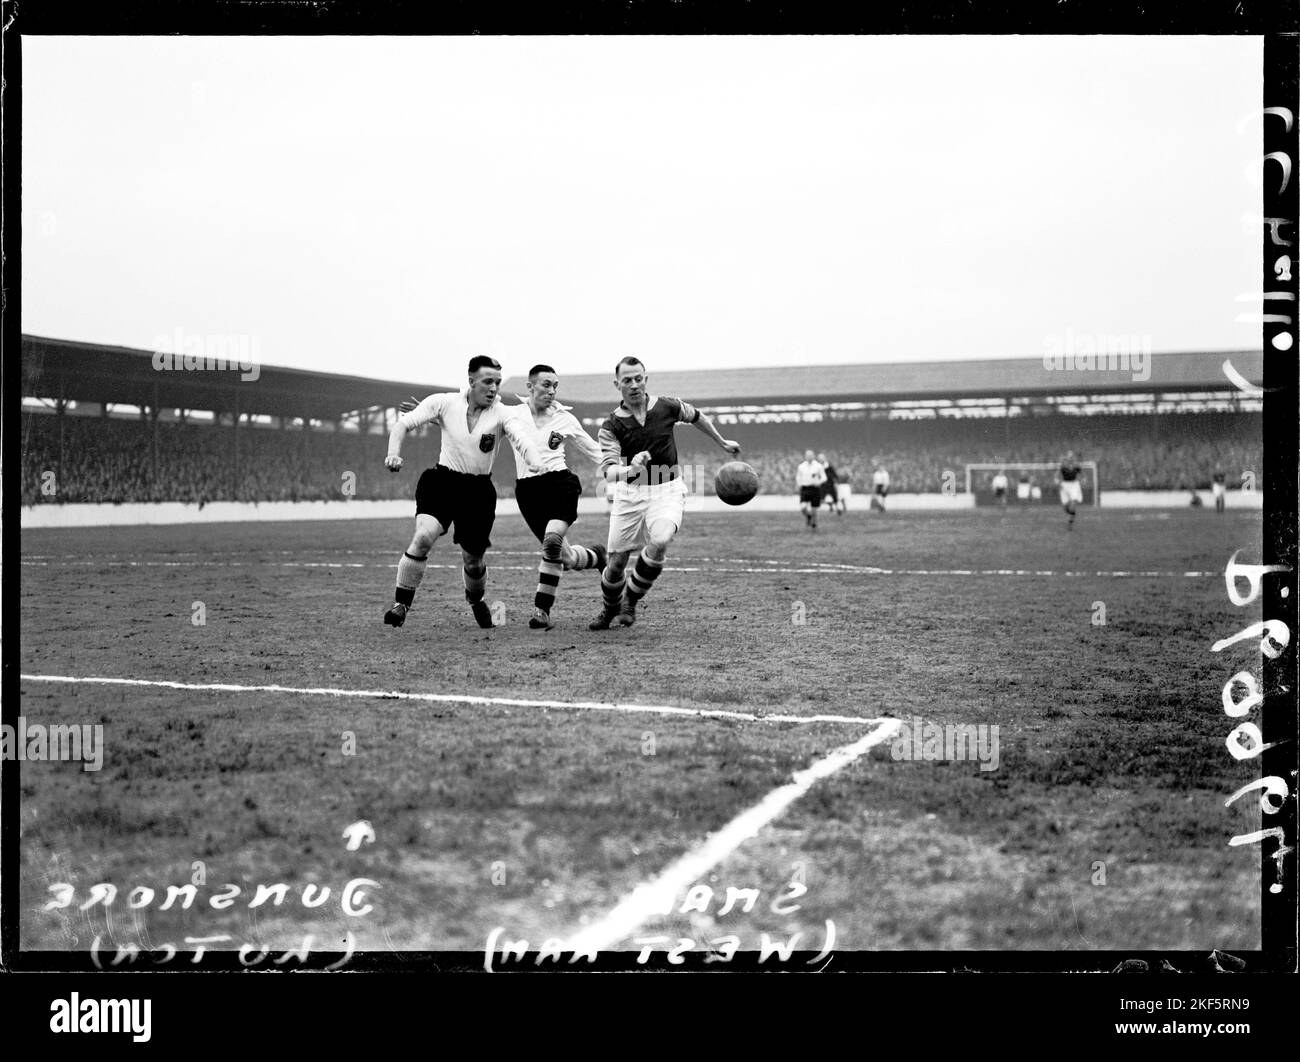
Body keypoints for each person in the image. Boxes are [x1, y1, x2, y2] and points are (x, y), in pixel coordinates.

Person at [382, 356, 543, 629]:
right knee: (423, 536)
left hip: (478, 492)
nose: (494, 388)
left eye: (497, 382)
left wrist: (534, 459)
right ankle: (401, 604)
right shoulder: (443, 402)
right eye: (487, 382)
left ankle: (476, 598)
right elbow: (402, 424)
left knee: (474, 559)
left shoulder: (502, 413)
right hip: (442, 483)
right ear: (471, 381)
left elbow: (521, 437)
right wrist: (393, 454)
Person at [588, 356, 741, 630]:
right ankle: (609, 608)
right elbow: (609, 471)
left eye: (638, 378)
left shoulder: (668, 406)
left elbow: (697, 416)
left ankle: (630, 601)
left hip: (667, 489)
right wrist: (631, 467)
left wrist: (721, 441)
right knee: (615, 564)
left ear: (645, 379)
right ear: (617, 384)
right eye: (627, 380)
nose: (634, 385)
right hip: (630, 493)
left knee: (660, 540)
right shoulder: (611, 426)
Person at [504, 365, 608, 629]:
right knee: (566, 557)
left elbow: (595, 451)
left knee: (551, 541)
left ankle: (541, 611)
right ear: (530, 387)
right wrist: (433, 418)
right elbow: (474, 425)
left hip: (560, 484)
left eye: (555, 386)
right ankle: (596, 556)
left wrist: (629, 468)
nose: (552, 391)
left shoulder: (565, 419)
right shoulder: (510, 415)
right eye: (546, 385)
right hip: (527, 491)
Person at [796, 450, 827, 529]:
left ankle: (814, 524)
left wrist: (819, 482)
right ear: (805, 456)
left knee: (814, 509)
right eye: (808, 455)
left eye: (811, 455)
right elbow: (798, 477)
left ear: (813, 456)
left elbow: (824, 477)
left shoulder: (818, 466)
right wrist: (800, 484)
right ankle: (808, 516)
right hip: (805, 488)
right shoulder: (801, 466)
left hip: (815, 488)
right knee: (803, 507)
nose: (809, 457)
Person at [1057, 450, 1084, 528]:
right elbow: (1057, 475)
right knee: (1065, 506)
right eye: (1069, 456)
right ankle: (1072, 514)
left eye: (1072, 456)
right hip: (1064, 485)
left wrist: (1083, 479)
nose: (1070, 458)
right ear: (1067, 457)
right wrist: (1057, 480)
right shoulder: (1063, 465)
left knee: (1073, 502)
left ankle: (1070, 522)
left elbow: (1082, 474)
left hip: (1074, 484)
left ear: (1073, 457)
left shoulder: (1076, 465)